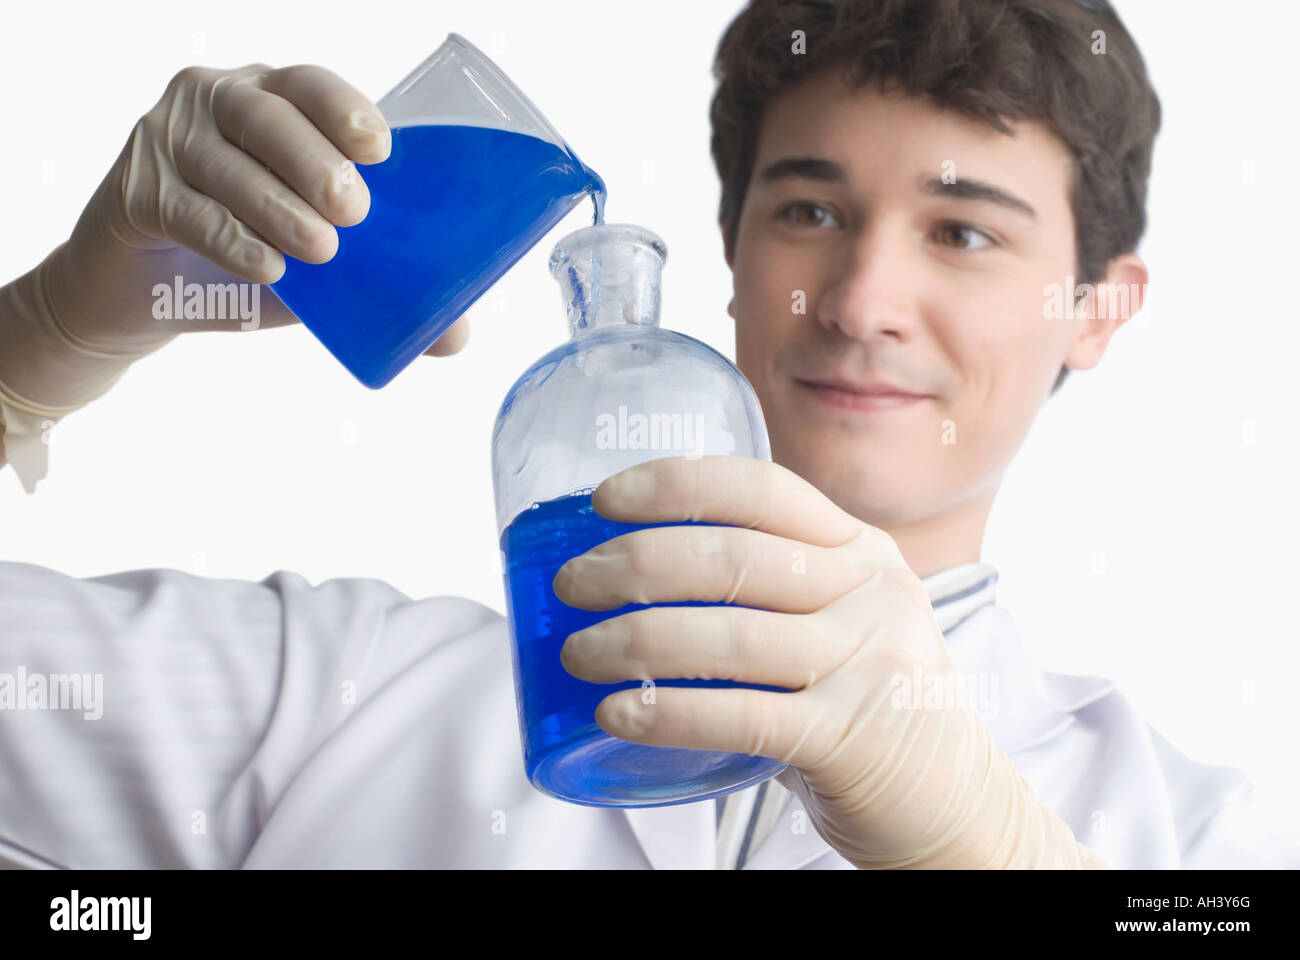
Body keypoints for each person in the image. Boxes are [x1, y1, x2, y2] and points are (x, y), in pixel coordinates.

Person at [0, 0, 1294, 869]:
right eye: (808, 212)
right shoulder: (336, 696)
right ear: (730, 262)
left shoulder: (1188, 839)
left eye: (963, 232)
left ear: (1097, 309)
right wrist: (44, 341)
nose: (857, 304)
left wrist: (982, 839)